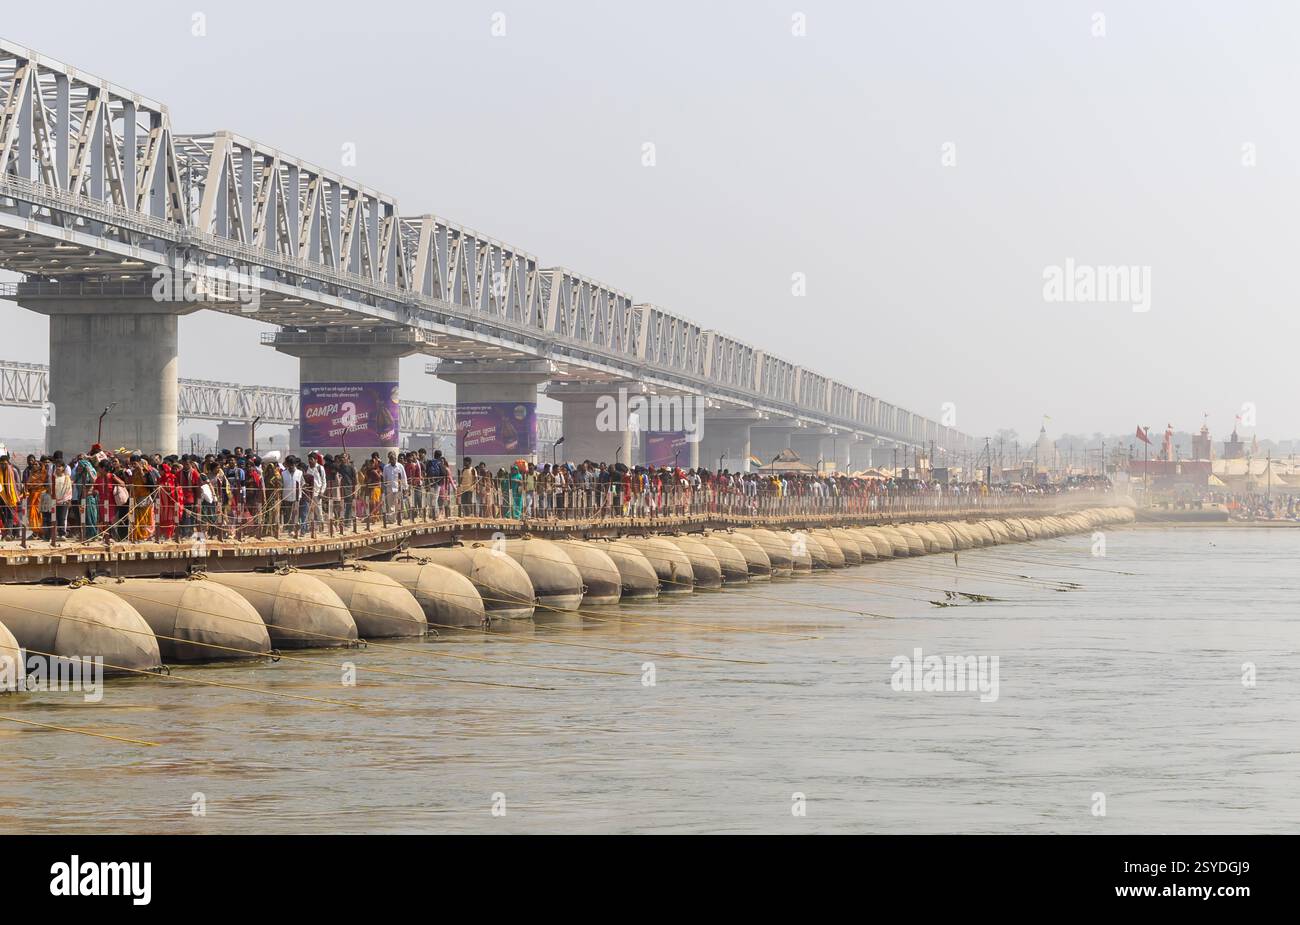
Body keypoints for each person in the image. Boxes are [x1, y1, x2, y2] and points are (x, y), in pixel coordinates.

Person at [382, 451, 408, 525]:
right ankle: (391, 520)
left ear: (396, 458)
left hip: (398, 489)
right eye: (391, 459)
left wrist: (405, 488)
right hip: (390, 488)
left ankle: (399, 519)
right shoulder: (386, 467)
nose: (393, 460)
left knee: (398, 504)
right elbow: (384, 478)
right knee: (390, 505)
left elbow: (404, 477)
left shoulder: (400, 466)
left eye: (394, 459)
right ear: (389, 460)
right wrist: (385, 486)